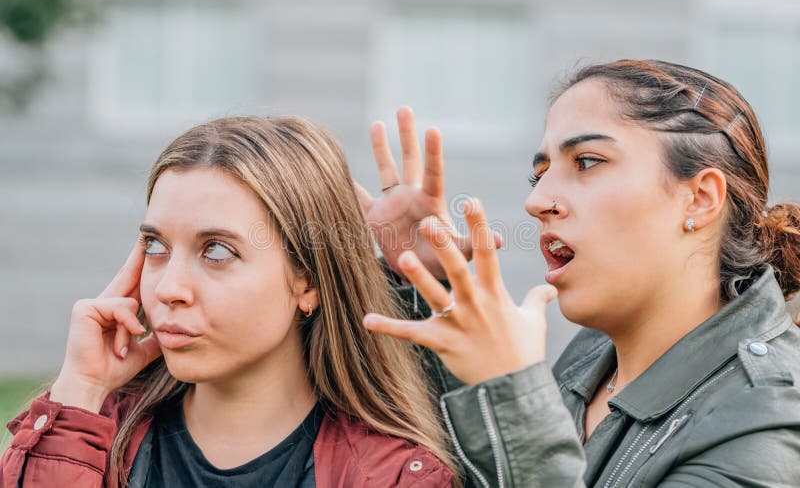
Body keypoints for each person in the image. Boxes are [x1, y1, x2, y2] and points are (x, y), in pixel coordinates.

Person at [357, 60, 800, 486]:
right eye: (540, 173)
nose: (538, 202)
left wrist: (513, 390)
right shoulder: (593, 358)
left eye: (586, 162)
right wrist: (426, 285)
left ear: (701, 198)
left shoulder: (767, 412)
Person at [1, 116, 456, 487]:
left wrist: (420, 282)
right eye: (156, 247)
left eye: (216, 251)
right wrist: (78, 395)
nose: (167, 288)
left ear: (309, 281)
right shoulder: (90, 441)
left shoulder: (390, 476)